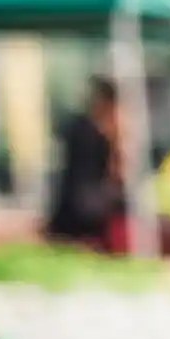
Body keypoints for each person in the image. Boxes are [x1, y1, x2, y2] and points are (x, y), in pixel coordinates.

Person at [45, 77, 126, 250]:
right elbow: (115, 172)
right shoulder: (94, 131)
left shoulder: (80, 126)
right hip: (86, 207)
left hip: (77, 204)